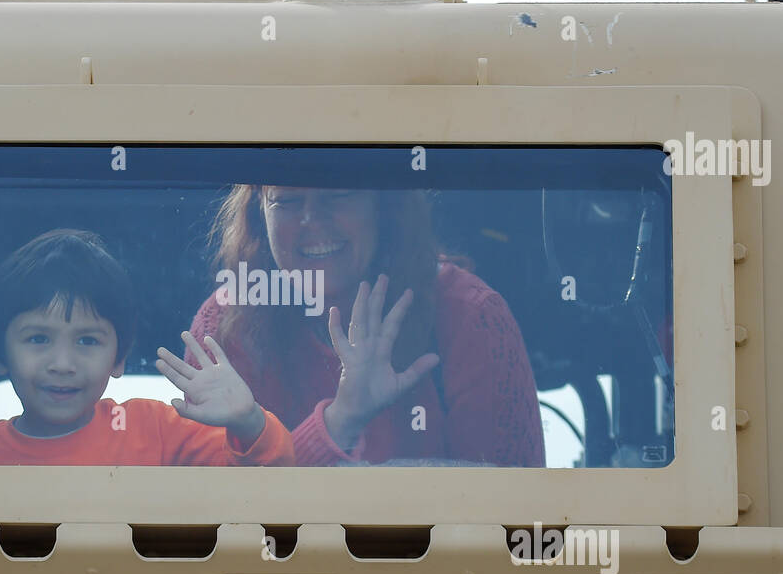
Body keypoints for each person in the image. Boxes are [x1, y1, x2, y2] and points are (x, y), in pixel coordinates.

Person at [187, 186, 544, 466]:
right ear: (258, 212)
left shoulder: (469, 317)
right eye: (288, 200)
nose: (312, 218)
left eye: (339, 194)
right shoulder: (226, 327)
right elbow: (209, 517)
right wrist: (341, 420)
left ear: (383, 207)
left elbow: (513, 521)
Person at [0, 229, 293, 466]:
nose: (63, 363)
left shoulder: (157, 429)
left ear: (120, 357)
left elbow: (264, 476)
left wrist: (247, 420)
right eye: (38, 339)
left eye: (87, 340)